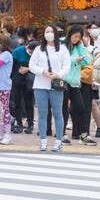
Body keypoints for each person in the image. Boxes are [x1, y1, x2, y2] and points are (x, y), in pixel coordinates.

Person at [29, 24, 71, 153]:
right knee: (42, 114)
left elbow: (67, 66)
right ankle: (43, 141)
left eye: (51, 31)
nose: (49, 34)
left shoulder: (63, 49)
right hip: (40, 85)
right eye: (46, 31)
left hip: (56, 84)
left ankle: (58, 141)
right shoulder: (38, 49)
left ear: (56, 34)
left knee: (57, 113)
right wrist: (43, 72)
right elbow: (31, 65)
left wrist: (57, 75)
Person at [63, 26, 95, 144]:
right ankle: (62, 134)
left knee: (81, 107)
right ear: (70, 33)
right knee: (63, 109)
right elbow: (62, 60)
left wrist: (81, 45)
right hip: (63, 81)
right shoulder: (62, 44)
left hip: (75, 82)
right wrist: (75, 60)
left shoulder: (78, 46)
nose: (76, 39)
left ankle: (84, 134)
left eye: (79, 37)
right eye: (75, 36)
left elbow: (87, 61)